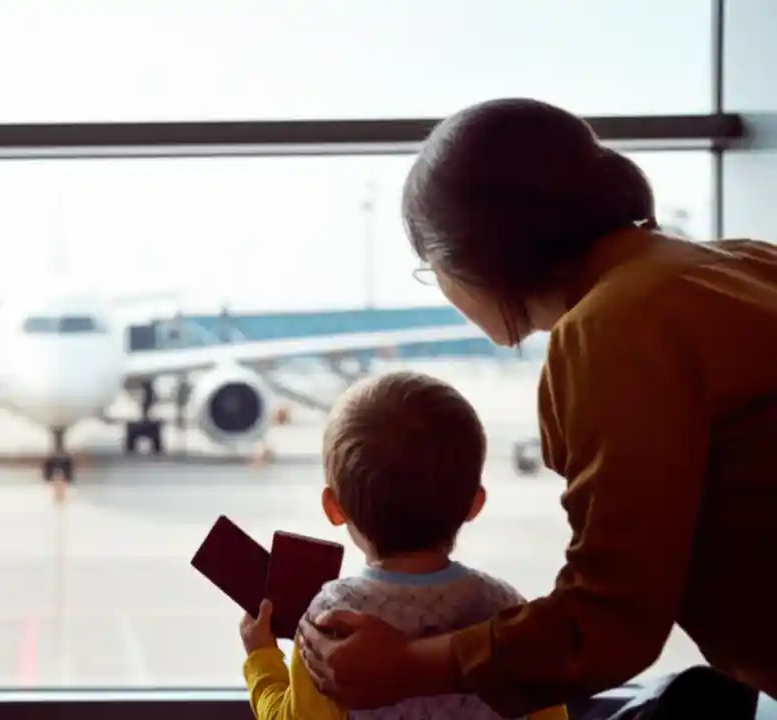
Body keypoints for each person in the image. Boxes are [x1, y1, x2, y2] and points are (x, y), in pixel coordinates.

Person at [296, 97, 777, 716]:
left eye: (430, 268)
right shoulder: (744, 262)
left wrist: (406, 667)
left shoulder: (613, 326)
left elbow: (609, 625)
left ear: (468, 255)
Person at [239, 371, 568, 719]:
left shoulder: (331, 622)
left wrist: (262, 659)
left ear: (333, 508)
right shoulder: (506, 612)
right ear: (475, 503)